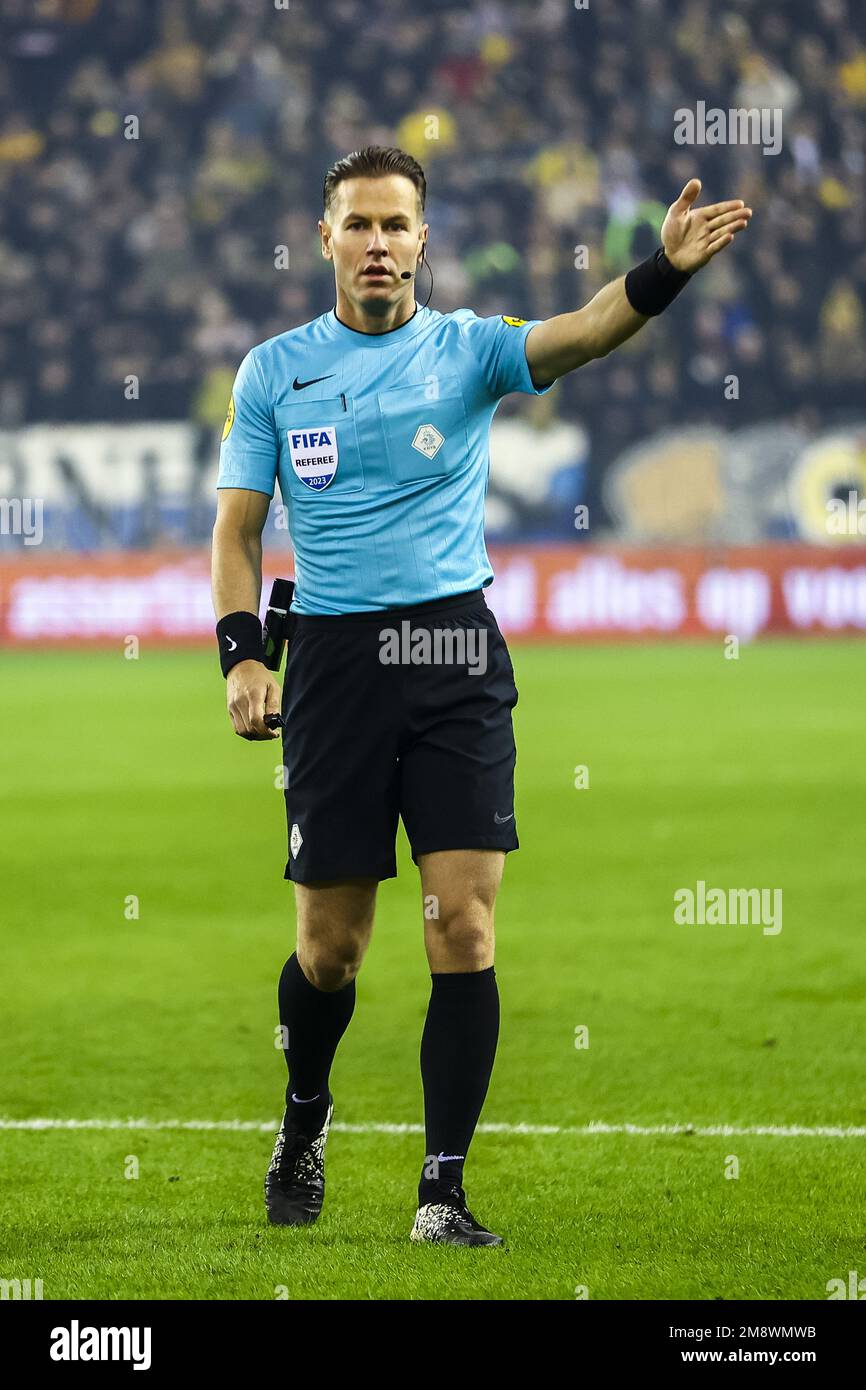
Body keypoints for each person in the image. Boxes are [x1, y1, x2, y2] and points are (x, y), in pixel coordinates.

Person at [211, 145, 751, 1245]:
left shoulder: (467, 349)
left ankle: (441, 1192)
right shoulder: (272, 371)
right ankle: (305, 1113)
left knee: (462, 923)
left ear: (423, 239)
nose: (376, 243)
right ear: (324, 238)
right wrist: (243, 656)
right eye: (357, 223)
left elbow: (585, 330)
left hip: (454, 654)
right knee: (331, 951)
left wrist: (663, 270)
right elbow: (236, 530)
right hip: (335, 668)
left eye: (394, 224)